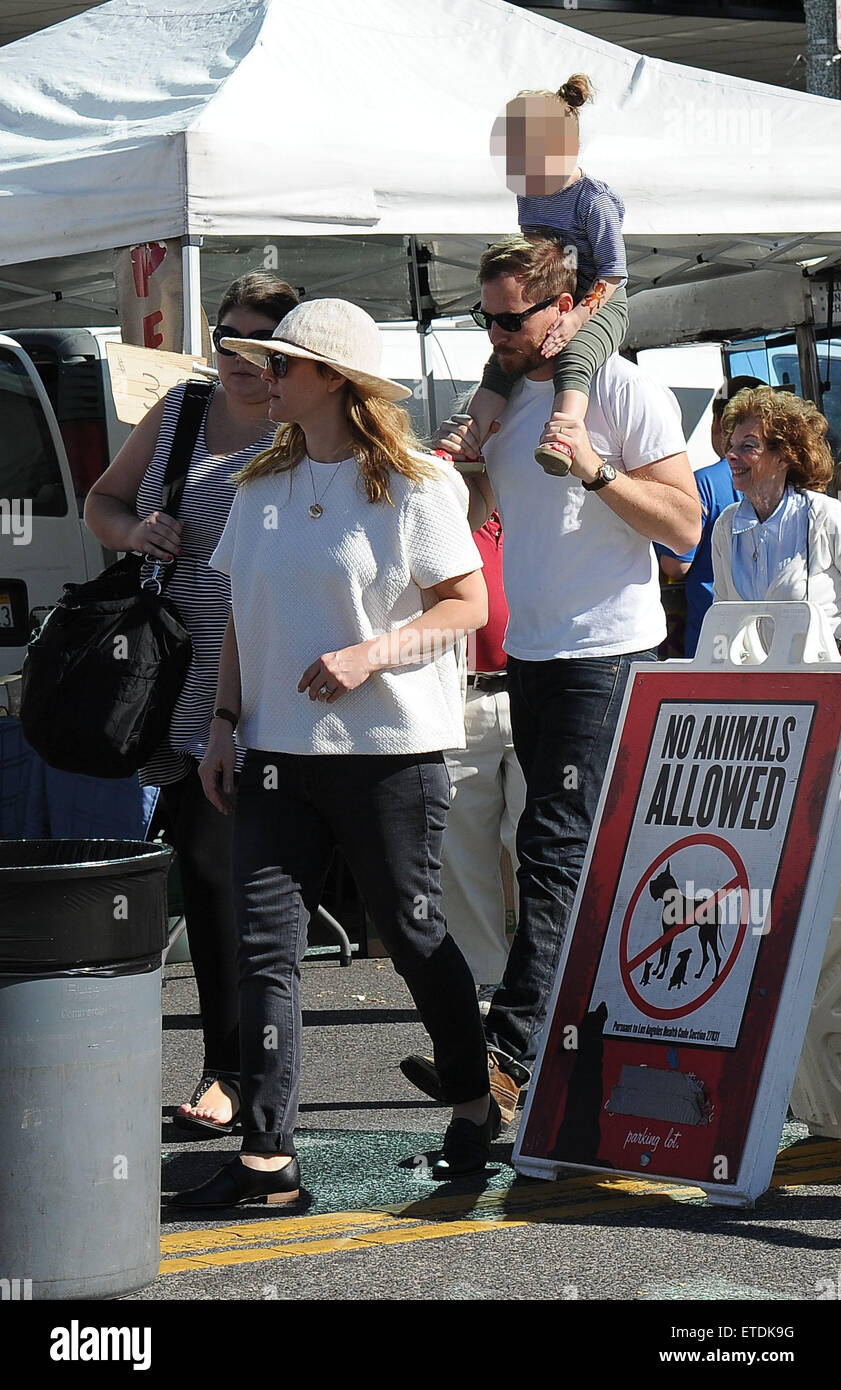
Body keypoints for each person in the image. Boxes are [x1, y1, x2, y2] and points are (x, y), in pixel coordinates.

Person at [170, 298, 497, 1209]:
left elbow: (465, 605)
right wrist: (225, 722)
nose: (264, 380)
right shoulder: (256, 487)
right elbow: (239, 614)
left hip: (390, 750)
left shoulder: (418, 483)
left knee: (409, 928)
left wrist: (368, 656)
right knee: (264, 949)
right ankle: (269, 1156)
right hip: (274, 749)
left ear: (333, 380)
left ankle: (473, 1099)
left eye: (282, 366)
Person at [400, 234, 700, 1125]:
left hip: (606, 650)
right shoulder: (503, 397)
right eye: (484, 316)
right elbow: (484, 518)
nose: (494, 331)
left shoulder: (621, 388)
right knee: (576, 852)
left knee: (554, 845)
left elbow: (685, 528)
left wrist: (599, 471)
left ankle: (511, 1050)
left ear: (565, 308)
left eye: (510, 317)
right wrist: (459, 472)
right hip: (531, 649)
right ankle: (585, 1044)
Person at [85, 272, 299, 1134]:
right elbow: (104, 500)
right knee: (209, 875)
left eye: (258, 343)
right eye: (227, 339)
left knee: (274, 886)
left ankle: (274, 1080)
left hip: (285, 676)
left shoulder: (310, 420)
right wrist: (138, 531)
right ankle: (230, 1070)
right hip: (186, 682)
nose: (239, 358)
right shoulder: (182, 410)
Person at [468, 75, 628, 475]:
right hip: (555, 296)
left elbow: (613, 274)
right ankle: (469, 435)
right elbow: (537, 259)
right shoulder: (528, 193)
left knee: (573, 354)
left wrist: (576, 317)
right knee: (500, 361)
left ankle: (564, 432)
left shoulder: (594, 200)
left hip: (600, 298)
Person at [440, 511, 526, 1008]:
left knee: (537, 843)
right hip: (461, 694)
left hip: (531, 688)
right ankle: (485, 983)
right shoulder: (442, 492)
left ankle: (544, 978)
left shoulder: (530, 492)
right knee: (461, 849)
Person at [711, 385, 841, 648]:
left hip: (823, 680)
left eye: (748, 446)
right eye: (732, 445)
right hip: (755, 684)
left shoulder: (825, 516)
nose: (731, 455)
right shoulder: (726, 526)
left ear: (784, 456)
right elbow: (721, 612)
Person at [657, 376, 764, 656]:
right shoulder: (787, 484)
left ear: (718, 423)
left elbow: (674, 566)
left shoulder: (702, 484)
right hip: (771, 643)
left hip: (713, 643)